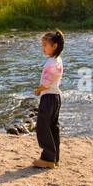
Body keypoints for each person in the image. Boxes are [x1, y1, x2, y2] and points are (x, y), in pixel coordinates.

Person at [32, 30, 65, 169]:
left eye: (45, 45)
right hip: (56, 97)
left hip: (48, 97)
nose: (43, 48)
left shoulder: (50, 63)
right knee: (53, 127)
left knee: (43, 127)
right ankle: (55, 157)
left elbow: (46, 84)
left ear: (55, 46)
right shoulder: (58, 60)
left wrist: (38, 90)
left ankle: (48, 157)